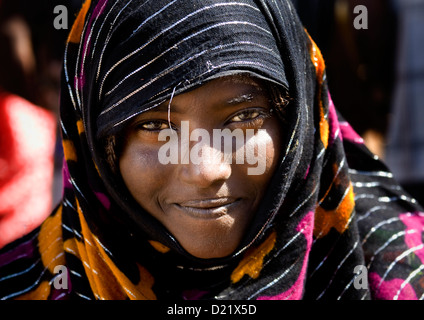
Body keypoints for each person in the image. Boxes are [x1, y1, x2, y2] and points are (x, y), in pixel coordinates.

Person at [0, 0, 423, 300]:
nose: (206, 169)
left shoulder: (402, 275)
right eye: (154, 126)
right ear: (95, 143)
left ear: (299, 122)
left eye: (243, 119)